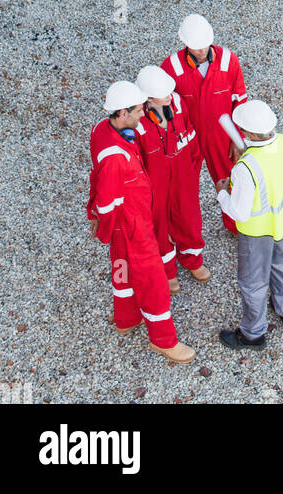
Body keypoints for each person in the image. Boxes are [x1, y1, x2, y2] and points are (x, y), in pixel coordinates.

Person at [87, 81, 194, 364]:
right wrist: (109, 226)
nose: (142, 115)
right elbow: (107, 201)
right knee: (153, 280)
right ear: (122, 113)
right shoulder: (115, 156)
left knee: (121, 267)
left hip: (124, 225)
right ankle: (163, 339)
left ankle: (126, 317)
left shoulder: (102, 129)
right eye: (137, 111)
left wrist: (103, 223)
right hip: (133, 223)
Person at [215, 99, 283, 350]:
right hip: (282, 220)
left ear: (251, 133)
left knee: (253, 283)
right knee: (282, 265)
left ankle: (253, 334)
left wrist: (222, 192)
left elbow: (239, 212)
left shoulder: (246, 167)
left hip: (255, 231)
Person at [161, 14, 247, 232]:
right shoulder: (171, 67)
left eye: (204, 46)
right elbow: (164, 106)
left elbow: (240, 100)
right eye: (195, 47)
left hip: (221, 135)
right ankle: (182, 234)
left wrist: (236, 138)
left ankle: (236, 226)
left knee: (230, 179)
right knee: (182, 187)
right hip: (188, 137)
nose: (201, 51)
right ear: (185, 44)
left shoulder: (229, 61)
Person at [134, 65, 210, 292]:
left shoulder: (176, 102)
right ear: (147, 100)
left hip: (183, 173)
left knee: (189, 217)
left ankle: (192, 259)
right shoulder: (137, 124)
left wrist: (194, 166)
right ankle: (167, 270)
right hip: (155, 182)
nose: (170, 95)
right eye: (163, 93)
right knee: (159, 223)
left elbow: (190, 134)